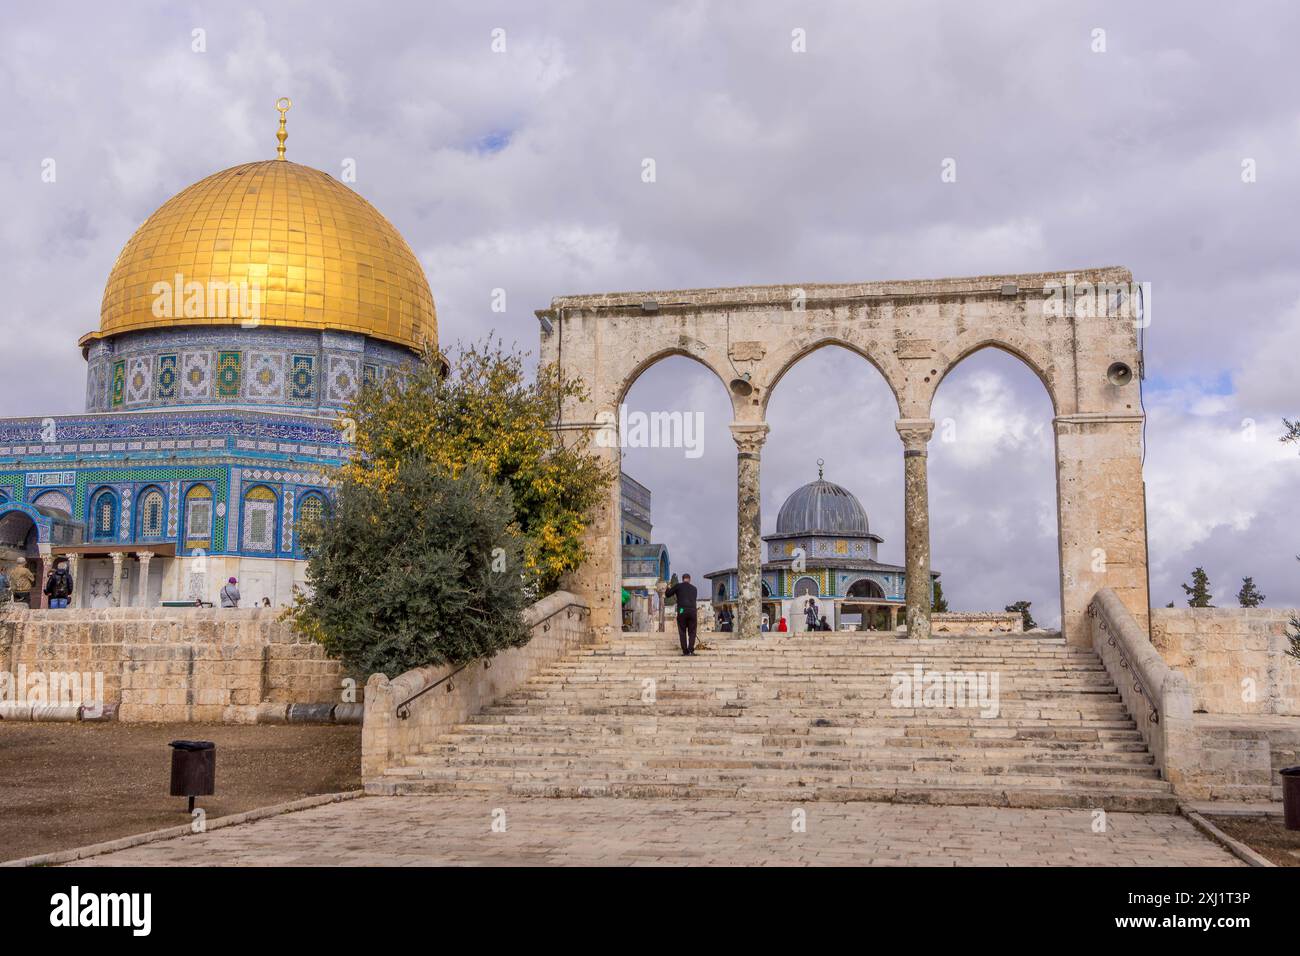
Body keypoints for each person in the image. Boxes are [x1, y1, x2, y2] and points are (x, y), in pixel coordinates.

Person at [664, 572, 698, 656]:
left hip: (682, 610)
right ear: (689, 579)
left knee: (682, 631)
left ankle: (685, 651)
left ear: (682, 579)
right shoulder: (694, 588)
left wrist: (667, 587)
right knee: (692, 632)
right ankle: (691, 650)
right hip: (692, 611)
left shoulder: (678, 586)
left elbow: (668, 595)